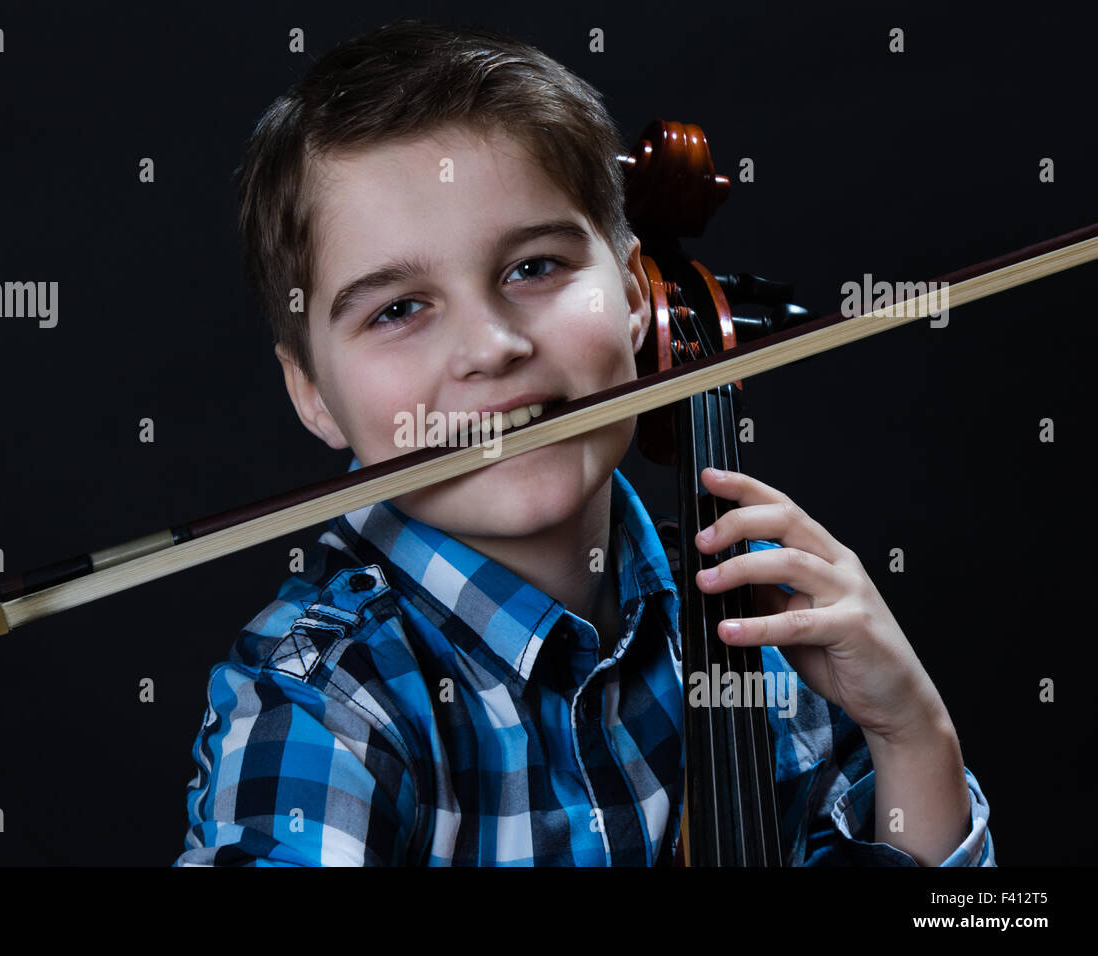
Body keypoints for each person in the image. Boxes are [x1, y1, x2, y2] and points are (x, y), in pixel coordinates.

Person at [175, 18, 993, 866]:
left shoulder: (766, 623)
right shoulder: (320, 705)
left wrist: (911, 737)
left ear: (636, 296)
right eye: (398, 309)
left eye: (534, 267)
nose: (492, 346)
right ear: (312, 391)